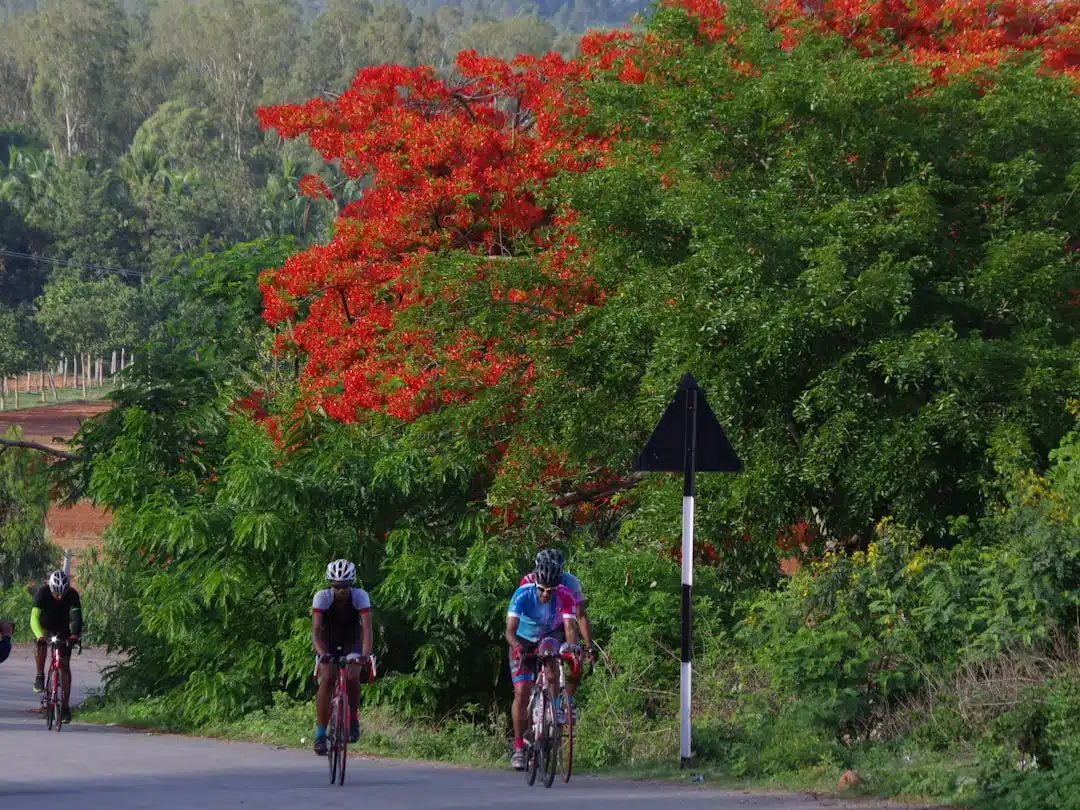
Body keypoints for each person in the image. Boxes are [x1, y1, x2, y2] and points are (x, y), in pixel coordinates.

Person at [505, 554, 579, 771]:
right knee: (521, 692)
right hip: (522, 639)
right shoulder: (522, 594)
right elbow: (509, 631)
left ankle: (554, 707)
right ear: (535, 584)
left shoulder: (565, 595)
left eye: (551, 590)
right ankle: (519, 747)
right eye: (542, 589)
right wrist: (517, 648)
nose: (546, 594)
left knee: (551, 654)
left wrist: (573, 648)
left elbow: (569, 629)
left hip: (548, 636)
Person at [311, 558, 373, 757]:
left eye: (345, 586)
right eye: (337, 586)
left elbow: (367, 631)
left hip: (351, 641)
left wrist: (364, 656)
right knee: (327, 678)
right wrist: (322, 654)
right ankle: (320, 735)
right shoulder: (321, 598)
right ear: (331, 584)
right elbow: (315, 633)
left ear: (351, 585)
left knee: (352, 676)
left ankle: (353, 720)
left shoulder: (360, 597)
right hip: (327, 642)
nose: (341, 591)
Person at [520, 548, 593, 709]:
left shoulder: (570, 583)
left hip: (559, 629)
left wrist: (588, 646)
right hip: (533, 630)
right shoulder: (528, 581)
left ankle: (565, 700)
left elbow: (580, 616)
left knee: (576, 661)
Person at [30, 570, 82, 723]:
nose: (59, 597)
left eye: (62, 594)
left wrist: (74, 635)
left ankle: (65, 706)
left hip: (63, 629)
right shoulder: (42, 593)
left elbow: (77, 617)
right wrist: (40, 635)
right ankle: (40, 675)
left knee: (64, 666)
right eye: (56, 594)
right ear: (51, 588)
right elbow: (34, 618)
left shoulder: (72, 595)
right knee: (41, 644)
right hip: (46, 626)